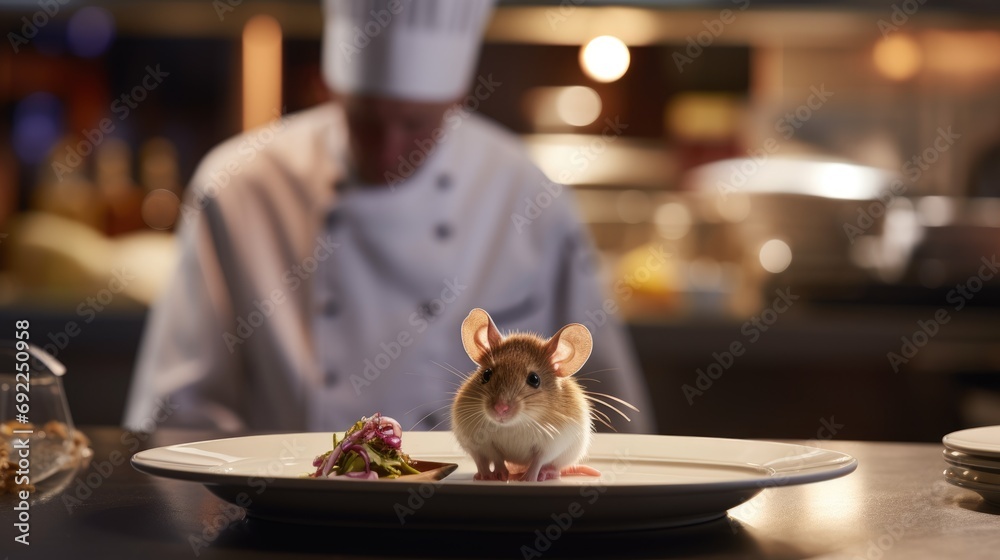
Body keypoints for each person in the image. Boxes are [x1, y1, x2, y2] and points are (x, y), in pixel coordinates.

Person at [123, 0, 654, 434]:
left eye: (414, 123)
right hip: (288, 516)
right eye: (365, 120)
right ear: (330, 91)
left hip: (480, 518)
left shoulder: (526, 194)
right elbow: (178, 413)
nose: (388, 149)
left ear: (456, 100)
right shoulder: (239, 185)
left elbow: (608, 412)